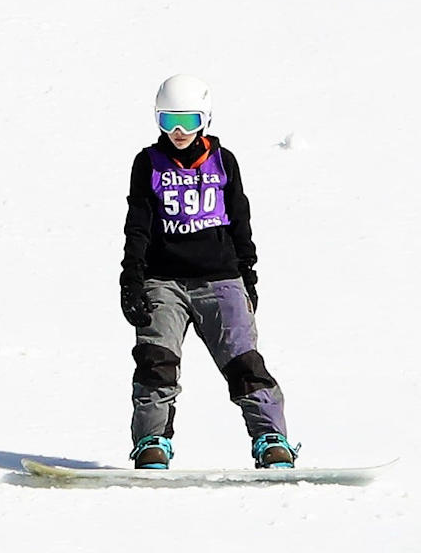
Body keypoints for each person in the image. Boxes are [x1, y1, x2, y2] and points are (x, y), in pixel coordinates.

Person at [117, 77, 293, 471]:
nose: (179, 132)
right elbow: (139, 224)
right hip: (163, 280)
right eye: (169, 121)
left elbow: (239, 218)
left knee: (243, 360)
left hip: (220, 278)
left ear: (205, 119)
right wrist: (132, 278)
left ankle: (271, 438)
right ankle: (152, 441)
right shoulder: (148, 163)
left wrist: (248, 274)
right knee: (155, 360)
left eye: (188, 120)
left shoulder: (223, 160)